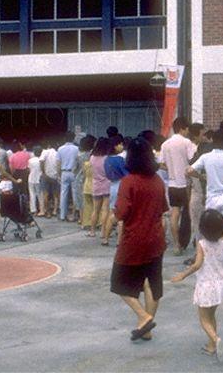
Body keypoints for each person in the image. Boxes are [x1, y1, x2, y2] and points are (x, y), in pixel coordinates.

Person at [110, 138, 167, 343]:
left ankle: (144, 317)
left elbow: (121, 213)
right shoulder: (158, 181)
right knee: (152, 283)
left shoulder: (129, 181)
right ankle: (146, 328)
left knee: (119, 283)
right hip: (156, 238)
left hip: (133, 239)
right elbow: (163, 210)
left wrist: (113, 215)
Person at [171, 209, 223, 361]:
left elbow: (197, 265)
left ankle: (216, 339)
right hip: (220, 285)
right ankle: (211, 345)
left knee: (204, 319)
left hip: (206, 286)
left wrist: (183, 274)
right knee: (212, 315)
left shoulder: (202, 244)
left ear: (202, 229)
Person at [187, 130, 223, 261]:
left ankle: (211, 257)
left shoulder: (206, 157)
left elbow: (189, 170)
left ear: (213, 142)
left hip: (212, 198)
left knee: (210, 229)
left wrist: (202, 177)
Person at [161, 117, 197, 256]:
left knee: (174, 214)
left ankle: (177, 245)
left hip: (172, 184)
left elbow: (161, 164)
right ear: (183, 128)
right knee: (190, 214)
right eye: (187, 129)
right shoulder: (186, 142)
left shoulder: (166, 144)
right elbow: (193, 159)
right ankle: (192, 240)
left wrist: (171, 170)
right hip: (185, 184)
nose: (188, 131)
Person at [185, 123, 208, 266]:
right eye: (203, 134)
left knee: (199, 227)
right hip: (201, 194)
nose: (205, 137)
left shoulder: (196, 158)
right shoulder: (197, 156)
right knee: (202, 227)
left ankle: (200, 255)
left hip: (197, 194)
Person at [104, 135, 129, 244]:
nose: (122, 146)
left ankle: (105, 239)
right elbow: (127, 175)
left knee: (112, 213)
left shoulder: (107, 160)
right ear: (115, 146)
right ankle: (119, 241)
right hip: (121, 185)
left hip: (112, 185)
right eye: (120, 144)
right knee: (121, 215)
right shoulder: (120, 160)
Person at [89, 137, 112, 242]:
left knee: (95, 209)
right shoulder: (107, 158)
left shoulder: (92, 157)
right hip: (107, 184)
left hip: (96, 184)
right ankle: (103, 231)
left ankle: (92, 231)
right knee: (105, 209)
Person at [57, 131, 80, 221]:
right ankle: (75, 214)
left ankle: (63, 215)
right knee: (75, 194)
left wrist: (59, 174)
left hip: (64, 172)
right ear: (73, 138)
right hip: (74, 172)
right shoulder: (76, 149)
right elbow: (78, 161)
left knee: (63, 194)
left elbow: (58, 163)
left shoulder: (60, 149)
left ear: (64, 138)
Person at [78, 135, 96, 230]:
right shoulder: (92, 156)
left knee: (83, 202)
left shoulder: (79, 156)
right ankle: (95, 221)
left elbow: (75, 168)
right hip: (90, 179)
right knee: (94, 203)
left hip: (80, 179)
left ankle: (83, 221)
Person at [39, 139, 60, 218]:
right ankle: (55, 210)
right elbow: (59, 164)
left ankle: (47, 212)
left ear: (48, 145)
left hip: (46, 176)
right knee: (56, 195)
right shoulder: (57, 153)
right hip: (55, 176)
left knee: (45, 194)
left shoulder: (45, 152)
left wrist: (43, 172)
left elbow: (41, 161)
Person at [8, 140, 32, 208]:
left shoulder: (12, 156)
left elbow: (11, 168)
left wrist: (12, 175)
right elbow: (29, 165)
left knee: (15, 189)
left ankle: (16, 205)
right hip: (25, 172)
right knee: (24, 189)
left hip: (16, 172)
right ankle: (26, 205)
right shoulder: (27, 154)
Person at [28, 146, 43, 215]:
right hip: (39, 179)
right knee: (40, 194)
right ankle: (41, 209)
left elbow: (29, 169)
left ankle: (33, 210)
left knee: (32, 194)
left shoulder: (30, 160)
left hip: (31, 178)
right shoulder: (41, 160)